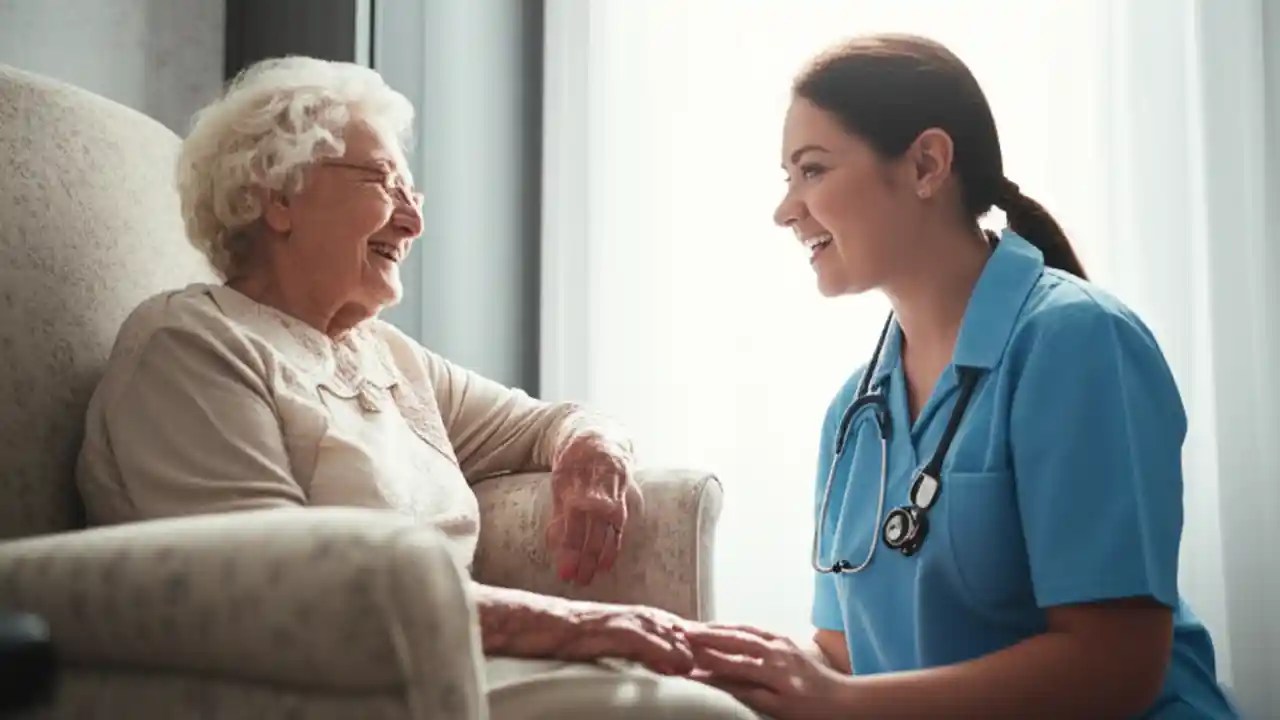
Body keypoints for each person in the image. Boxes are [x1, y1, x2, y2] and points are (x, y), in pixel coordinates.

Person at [75, 56, 755, 719]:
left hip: (448, 664)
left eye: (412, 193)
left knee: (736, 689)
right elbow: (283, 582)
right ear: (276, 195)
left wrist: (593, 449)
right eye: (384, 183)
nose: (412, 221)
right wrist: (570, 625)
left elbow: (551, 423)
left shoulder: (387, 355)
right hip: (338, 687)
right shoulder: (193, 344)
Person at [683, 34, 1240, 719]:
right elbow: (849, 655)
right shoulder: (852, 416)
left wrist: (836, 702)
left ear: (925, 164)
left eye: (814, 170)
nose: (786, 209)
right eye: (787, 177)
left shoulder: (1078, 342)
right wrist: (726, 668)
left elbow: (1114, 663)